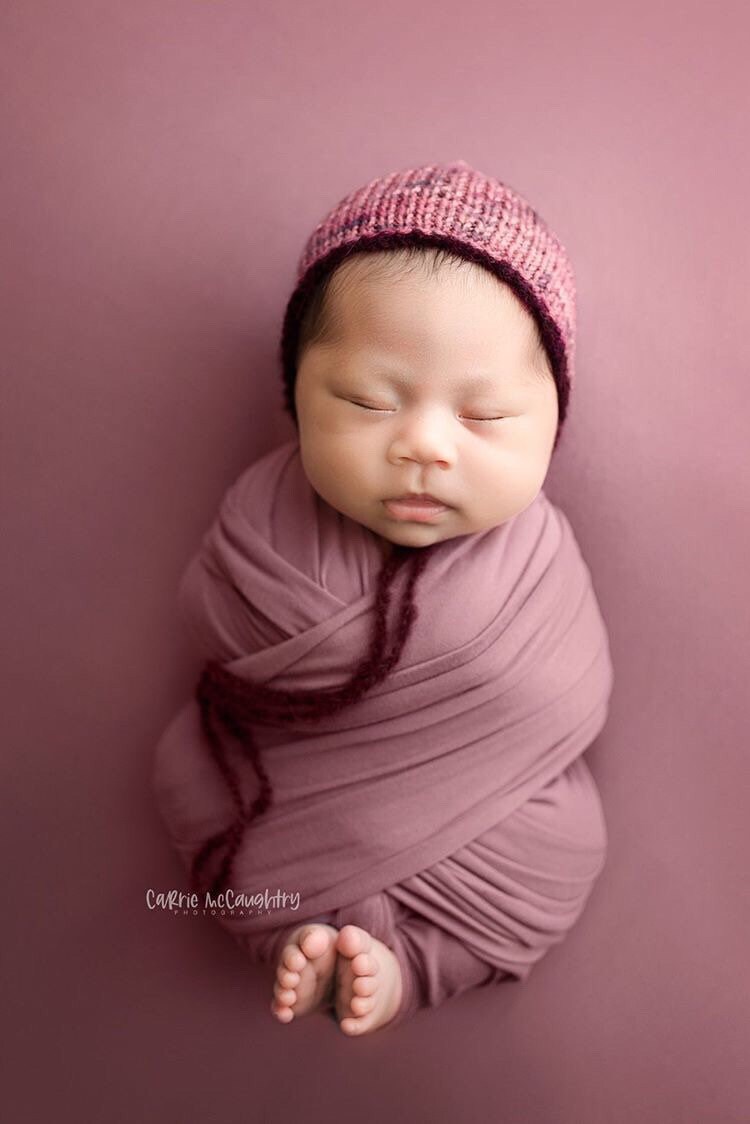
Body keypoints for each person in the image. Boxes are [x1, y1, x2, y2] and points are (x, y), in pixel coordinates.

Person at [152, 159, 614, 1037]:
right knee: (187, 770)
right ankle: (305, 937)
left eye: (484, 418)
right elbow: (215, 632)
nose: (424, 447)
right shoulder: (264, 517)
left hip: (484, 819)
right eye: (368, 401)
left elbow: (563, 696)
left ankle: (410, 969)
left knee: (566, 838)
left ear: (556, 420)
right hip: (279, 781)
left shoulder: (535, 556)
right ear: (294, 395)